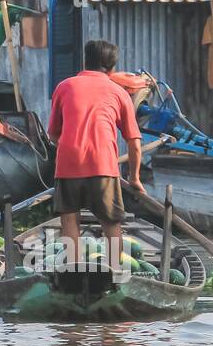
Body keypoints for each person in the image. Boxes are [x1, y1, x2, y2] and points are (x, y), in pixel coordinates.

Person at [47, 39, 143, 272]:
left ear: (85, 62)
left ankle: (73, 271)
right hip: (103, 164)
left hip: (68, 163)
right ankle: (112, 272)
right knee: (111, 221)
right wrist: (135, 179)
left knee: (69, 219)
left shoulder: (65, 86)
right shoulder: (119, 92)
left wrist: (74, 147)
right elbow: (134, 143)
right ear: (112, 68)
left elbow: (53, 135)